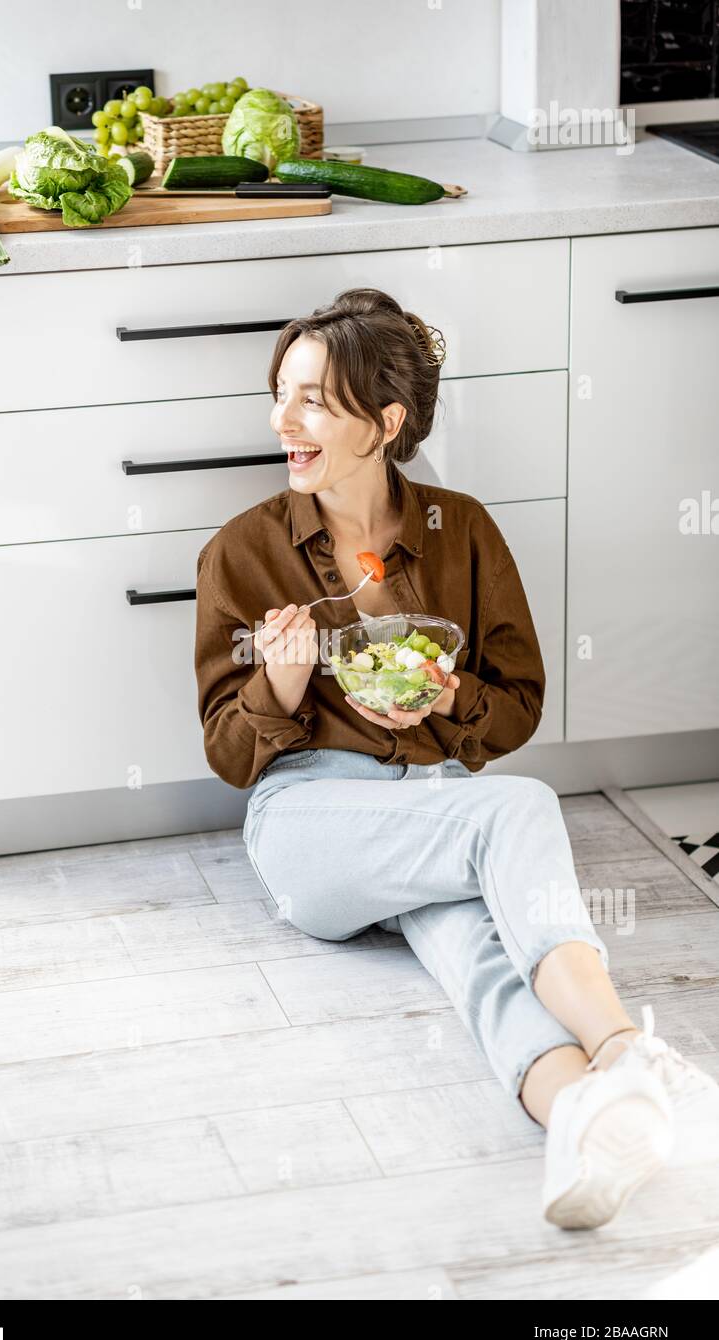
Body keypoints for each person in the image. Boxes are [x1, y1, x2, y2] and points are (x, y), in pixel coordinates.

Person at [194, 287, 719, 1230]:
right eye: (281, 393)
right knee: (516, 810)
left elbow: (516, 707)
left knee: (483, 959)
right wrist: (277, 683)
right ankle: (631, 1050)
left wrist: (447, 697)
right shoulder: (244, 551)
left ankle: (583, 1121)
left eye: (311, 398)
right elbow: (232, 757)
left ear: (384, 422)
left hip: (433, 814)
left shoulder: (461, 530)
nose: (283, 419)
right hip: (311, 826)